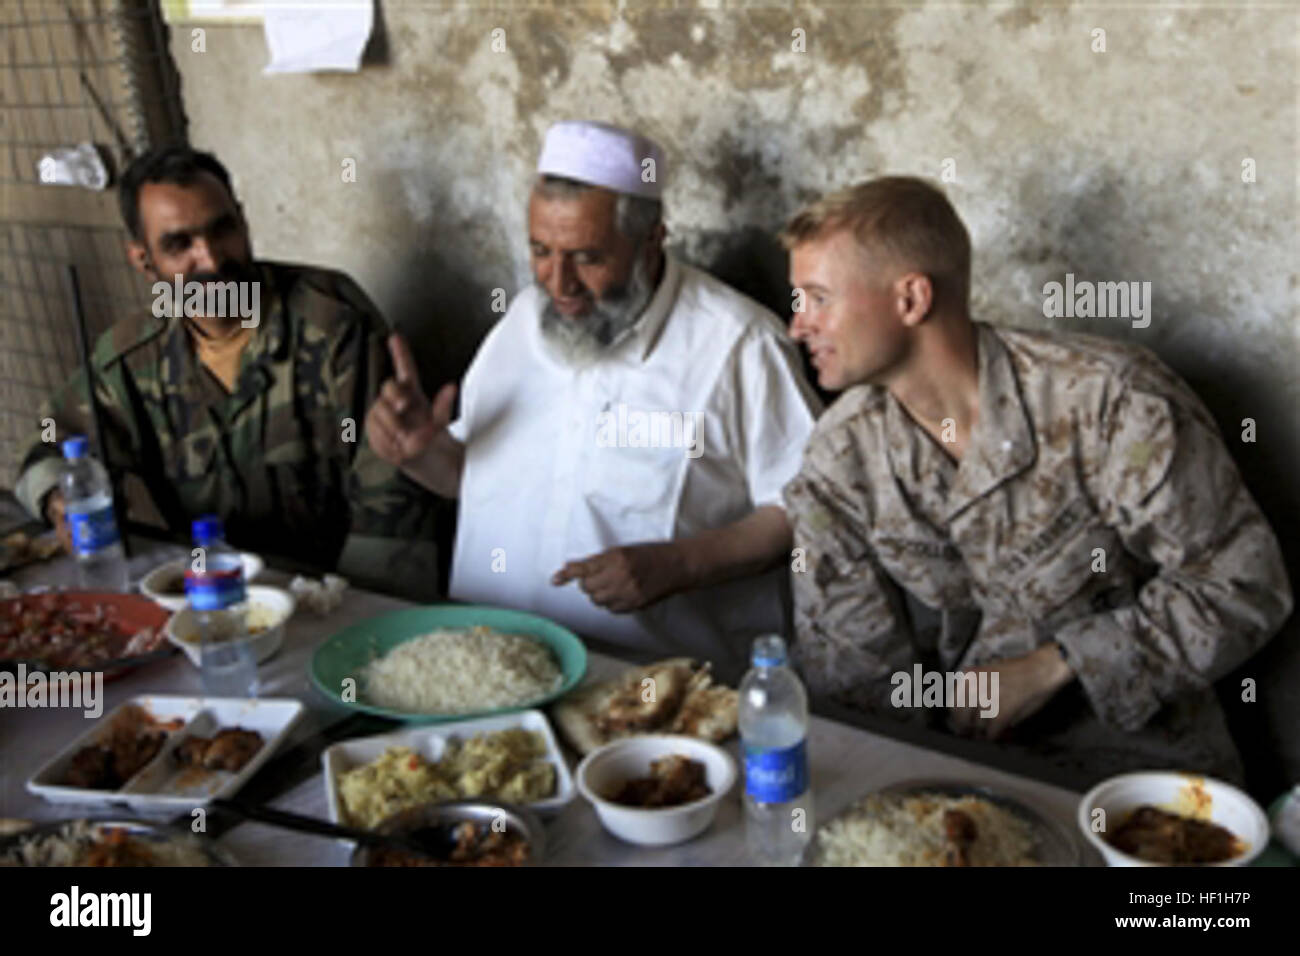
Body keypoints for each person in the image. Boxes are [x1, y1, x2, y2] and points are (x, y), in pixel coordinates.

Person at [780, 175, 1291, 783]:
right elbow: (855, 681)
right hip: (964, 776)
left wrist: (1061, 664)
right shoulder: (840, 460)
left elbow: (1244, 583)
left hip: (1147, 778)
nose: (797, 327)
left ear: (911, 300)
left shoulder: (1109, 402)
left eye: (817, 298)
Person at [366, 120, 821, 678]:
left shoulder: (738, 344)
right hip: (490, 667)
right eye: (540, 251)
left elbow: (807, 511)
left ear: (653, 239)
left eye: (588, 257)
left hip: (654, 692)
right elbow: (476, 482)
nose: (559, 284)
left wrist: (678, 564)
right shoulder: (520, 325)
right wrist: (419, 453)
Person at [13, 145, 438, 596]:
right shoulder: (131, 358)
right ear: (144, 261)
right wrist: (60, 497)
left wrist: (351, 614)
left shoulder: (330, 323)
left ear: (243, 220)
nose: (212, 260)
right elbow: (46, 440)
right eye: (180, 245)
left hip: (332, 594)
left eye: (223, 230)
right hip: (209, 596)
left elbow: (394, 495)